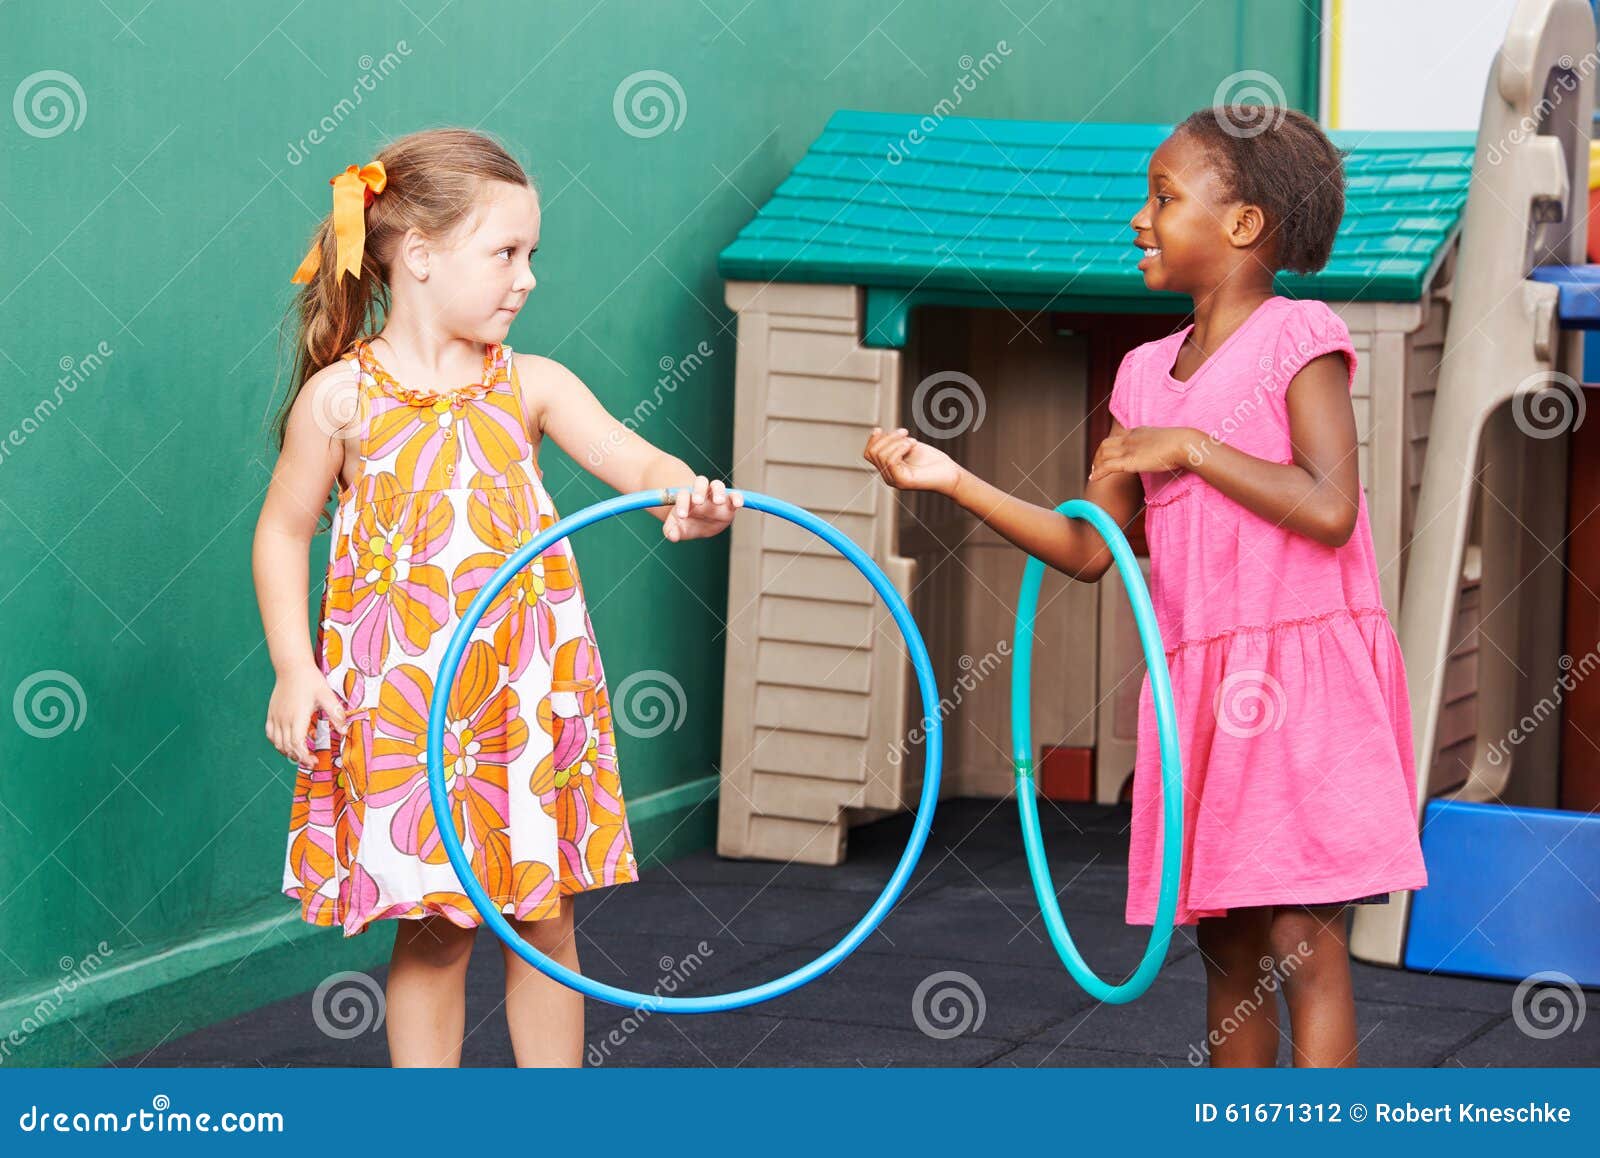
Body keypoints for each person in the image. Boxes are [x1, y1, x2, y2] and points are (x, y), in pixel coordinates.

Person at [863, 105, 1427, 1067]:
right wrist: (950, 478)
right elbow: (1091, 550)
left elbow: (1331, 507)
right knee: (1227, 946)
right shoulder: (1140, 377)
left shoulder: (1300, 336)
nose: (1139, 216)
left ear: (1243, 224)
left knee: (1301, 940)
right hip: (1198, 689)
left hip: (1301, 683)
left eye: (1163, 197)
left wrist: (1193, 450)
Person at [253, 127, 739, 1067]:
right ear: (422, 257)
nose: (526, 278)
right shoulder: (341, 402)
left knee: (544, 920)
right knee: (438, 933)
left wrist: (687, 492)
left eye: (532, 256)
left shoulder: (532, 385)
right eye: (506, 254)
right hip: (409, 708)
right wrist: (292, 666)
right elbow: (281, 532)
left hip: (520, 701)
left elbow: (632, 460)